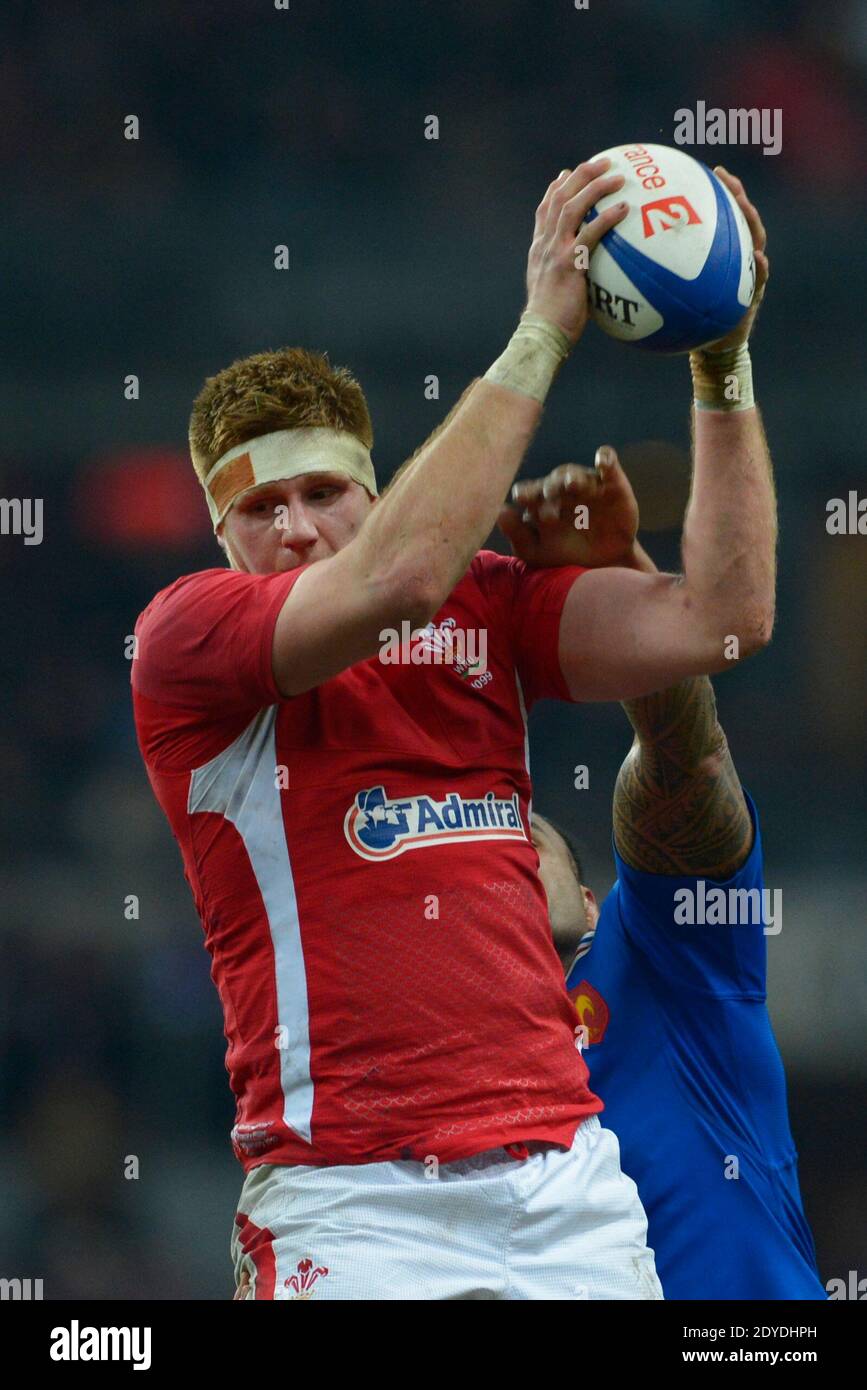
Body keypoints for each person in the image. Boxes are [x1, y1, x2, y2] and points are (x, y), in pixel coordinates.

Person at [132, 158, 773, 1300]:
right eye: (258, 511)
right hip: (352, 1194)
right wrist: (542, 328)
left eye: (326, 493)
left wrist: (721, 364)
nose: (297, 530)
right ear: (219, 539)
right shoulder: (192, 645)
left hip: (564, 1181)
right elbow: (401, 579)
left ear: (376, 490)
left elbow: (723, 617)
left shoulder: (487, 601)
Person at [515, 465, 823, 1300]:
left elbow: (683, 763)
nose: (500, 853)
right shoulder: (437, 1064)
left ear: (590, 905)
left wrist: (622, 583)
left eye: (527, 837)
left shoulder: (661, 953)